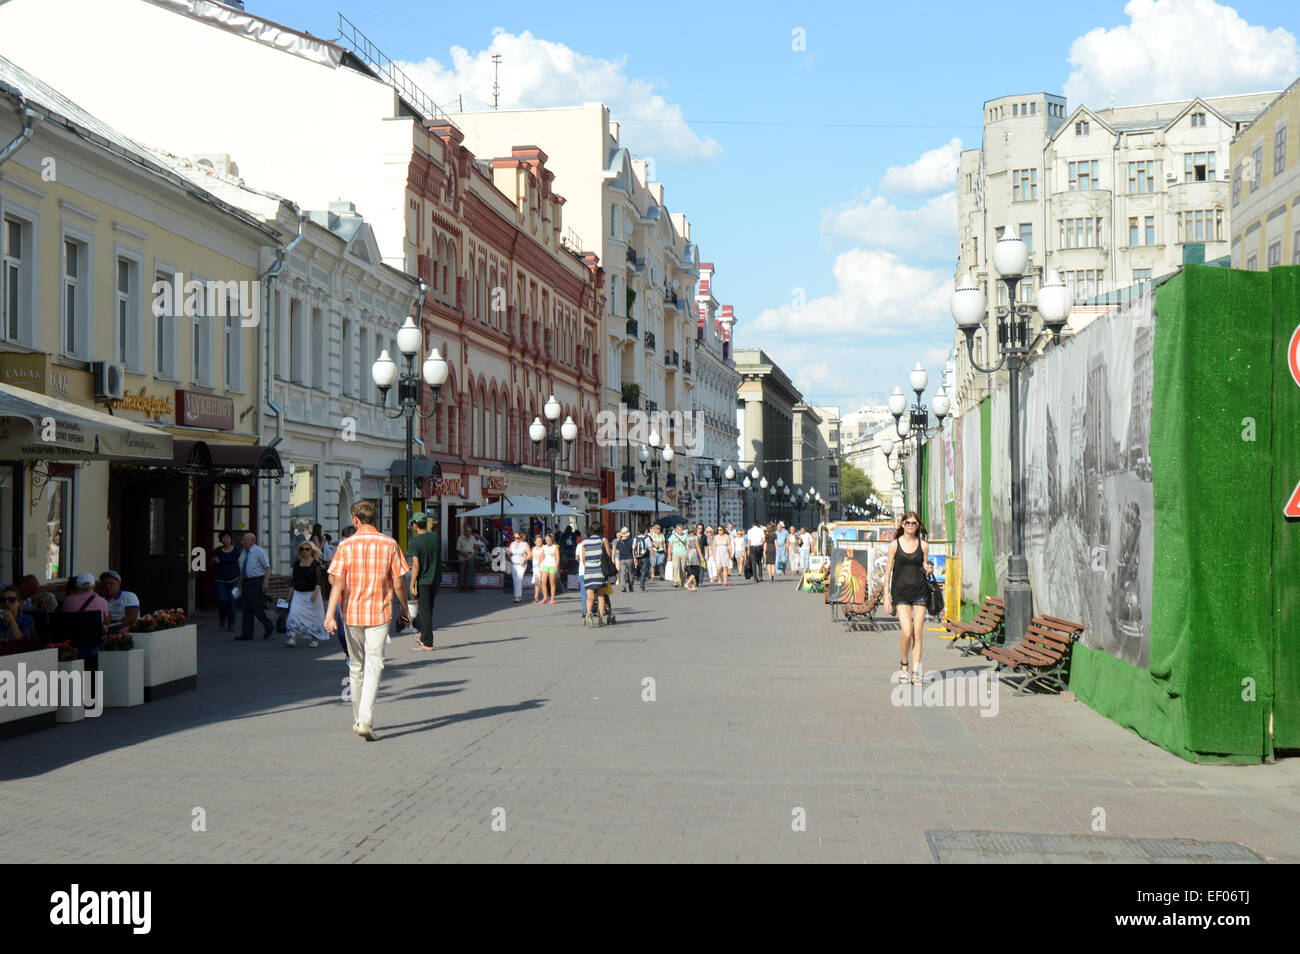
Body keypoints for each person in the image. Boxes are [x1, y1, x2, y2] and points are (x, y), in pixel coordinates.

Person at [324, 500, 411, 742]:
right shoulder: (390, 544)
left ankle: (358, 718)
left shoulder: (345, 546)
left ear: (354, 519)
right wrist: (405, 609)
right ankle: (366, 718)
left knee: (356, 666)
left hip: (351, 613)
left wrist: (330, 614)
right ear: (376, 518)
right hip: (379, 613)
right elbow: (398, 583)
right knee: (375, 665)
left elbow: (336, 583)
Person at [884, 511, 930, 686]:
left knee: (918, 634)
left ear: (918, 526)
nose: (911, 525)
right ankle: (904, 666)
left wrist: (929, 570)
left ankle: (915, 673)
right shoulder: (894, 545)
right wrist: (886, 596)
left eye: (914, 523)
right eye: (908, 523)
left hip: (920, 592)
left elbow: (925, 566)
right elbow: (888, 570)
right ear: (902, 524)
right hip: (900, 593)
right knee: (907, 632)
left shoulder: (924, 546)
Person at [285, 541, 327, 648]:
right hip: (298, 594)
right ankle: (292, 638)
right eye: (302, 549)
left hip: (312, 594)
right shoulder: (296, 564)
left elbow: (318, 583)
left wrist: (315, 594)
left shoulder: (315, 564)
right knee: (293, 614)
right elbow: (293, 581)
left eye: (307, 549)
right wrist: (289, 596)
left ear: (312, 551)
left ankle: (314, 639)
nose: (304, 551)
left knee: (314, 617)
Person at [408, 512, 440, 648]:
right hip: (436, 579)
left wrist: (411, 583)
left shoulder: (414, 542)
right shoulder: (435, 537)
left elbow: (416, 565)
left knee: (424, 611)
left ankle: (427, 642)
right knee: (429, 609)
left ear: (415, 525)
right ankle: (424, 637)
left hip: (423, 581)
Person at [236, 532, 275, 641]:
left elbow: (267, 567)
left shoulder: (259, 551)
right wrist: (240, 581)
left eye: (244, 540)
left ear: (252, 541)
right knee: (246, 608)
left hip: (257, 581)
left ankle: (268, 626)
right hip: (246, 582)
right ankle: (246, 633)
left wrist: (265, 582)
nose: (242, 542)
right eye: (242, 540)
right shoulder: (243, 553)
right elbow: (243, 568)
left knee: (257, 607)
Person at [578, 527, 612, 625]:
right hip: (600, 572)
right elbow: (608, 556)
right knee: (601, 596)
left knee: (589, 596)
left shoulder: (584, 542)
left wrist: (588, 566)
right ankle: (601, 620)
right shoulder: (603, 540)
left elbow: (583, 558)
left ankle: (589, 616)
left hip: (588, 572)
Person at [59, 573, 110, 638]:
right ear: (94, 587)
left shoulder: (67, 601)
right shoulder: (102, 601)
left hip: (72, 641)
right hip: (94, 641)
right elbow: (106, 622)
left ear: (77, 587)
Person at [212, 531, 241, 631]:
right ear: (220, 540)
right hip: (220, 580)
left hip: (234, 580)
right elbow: (211, 563)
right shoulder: (217, 551)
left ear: (231, 539)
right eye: (223, 538)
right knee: (223, 600)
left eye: (228, 537)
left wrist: (241, 579)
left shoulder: (236, 551)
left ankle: (231, 624)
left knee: (232, 602)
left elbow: (240, 564)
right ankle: (222, 618)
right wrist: (213, 561)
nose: (226, 540)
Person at [508, 530, 532, 604]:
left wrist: (524, 559)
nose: (516, 539)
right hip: (514, 563)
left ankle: (517, 596)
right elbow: (509, 552)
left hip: (521, 564)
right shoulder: (512, 543)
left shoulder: (525, 544)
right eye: (515, 537)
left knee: (518, 579)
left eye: (517, 537)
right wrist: (506, 551)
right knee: (515, 580)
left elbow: (530, 554)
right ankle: (519, 595)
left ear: (521, 537)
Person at [538, 533, 560, 604]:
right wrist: (539, 564)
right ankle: (545, 597)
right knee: (543, 582)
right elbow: (541, 556)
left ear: (551, 540)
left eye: (548, 540)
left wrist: (556, 566)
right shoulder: (544, 547)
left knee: (552, 583)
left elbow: (557, 558)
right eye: (546, 540)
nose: (547, 542)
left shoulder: (555, 547)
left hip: (552, 566)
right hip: (545, 566)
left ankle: (552, 598)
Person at [456, 526, 477, 591]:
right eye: (468, 531)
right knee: (462, 571)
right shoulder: (460, 538)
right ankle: (461, 584)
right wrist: (463, 553)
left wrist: (475, 552)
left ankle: (471, 584)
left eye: (470, 531)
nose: (469, 533)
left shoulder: (472, 537)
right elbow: (458, 549)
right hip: (463, 557)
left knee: (471, 570)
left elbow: (475, 546)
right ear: (464, 531)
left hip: (471, 555)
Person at [615, 527, 635, 592]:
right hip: (630, 558)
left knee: (622, 572)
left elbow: (617, 551)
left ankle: (623, 586)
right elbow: (633, 550)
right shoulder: (631, 541)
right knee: (630, 572)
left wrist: (621, 551)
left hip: (622, 559)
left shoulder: (619, 542)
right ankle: (630, 585)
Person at [667, 524, 688, 588]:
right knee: (675, 567)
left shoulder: (685, 536)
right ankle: (676, 582)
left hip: (684, 553)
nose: (680, 531)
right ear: (676, 530)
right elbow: (670, 546)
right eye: (678, 530)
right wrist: (669, 556)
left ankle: (682, 581)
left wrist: (688, 553)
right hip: (675, 554)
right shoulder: (672, 536)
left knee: (683, 568)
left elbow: (687, 545)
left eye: (681, 530)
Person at [632, 525, 652, 591]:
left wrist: (634, 557)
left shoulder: (635, 538)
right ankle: (642, 585)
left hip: (637, 556)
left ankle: (640, 580)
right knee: (644, 570)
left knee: (640, 569)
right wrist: (653, 556)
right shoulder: (647, 538)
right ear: (645, 530)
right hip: (645, 556)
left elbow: (633, 548)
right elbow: (650, 548)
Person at [683, 525, 701, 592]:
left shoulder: (687, 538)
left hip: (688, 554)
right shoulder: (695, 537)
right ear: (694, 530)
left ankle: (693, 586)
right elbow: (698, 547)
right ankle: (687, 583)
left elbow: (687, 548)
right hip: (694, 553)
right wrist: (701, 557)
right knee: (697, 570)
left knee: (690, 571)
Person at [530, 533, 545, 603]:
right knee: (538, 583)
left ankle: (537, 597)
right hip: (535, 568)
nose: (539, 542)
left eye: (540, 540)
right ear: (535, 542)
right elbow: (530, 557)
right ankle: (541, 596)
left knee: (539, 583)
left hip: (542, 568)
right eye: (538, 540)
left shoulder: (544, 548)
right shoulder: (533, 549)